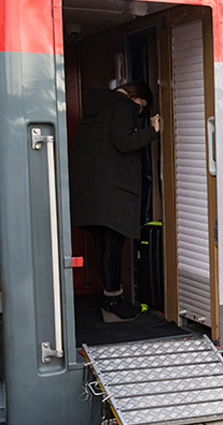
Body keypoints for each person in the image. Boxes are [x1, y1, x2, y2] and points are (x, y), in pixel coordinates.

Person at [70, 81, 161, 323]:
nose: (140, 112)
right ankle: (113, 300)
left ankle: (109, 297)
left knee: (103, 242)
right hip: (113, 189)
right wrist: (151, 131)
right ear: (137, 99)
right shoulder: (121, 106)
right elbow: (123, 142)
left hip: (93, 188)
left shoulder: (98, 105)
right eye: (141, 107)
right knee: (113, 244)